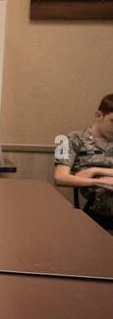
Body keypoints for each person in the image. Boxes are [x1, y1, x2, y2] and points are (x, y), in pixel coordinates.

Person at [54, 92, 113, 230]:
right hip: (98, 208)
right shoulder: (68, 139)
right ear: (99, 115)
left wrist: (95, 171)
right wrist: (99, 181)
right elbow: (60, 177)